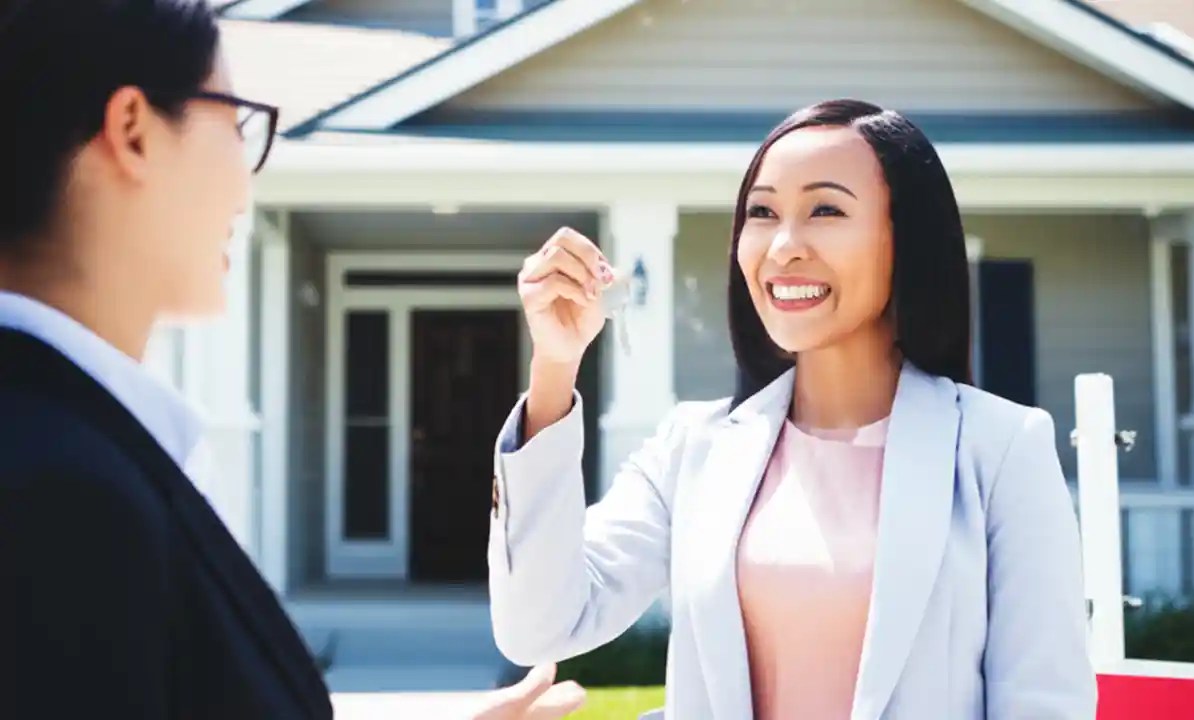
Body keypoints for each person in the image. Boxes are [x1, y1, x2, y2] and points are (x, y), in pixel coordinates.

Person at [0, 2, 583, 719]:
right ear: (134, 132)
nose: (248, 184)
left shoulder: (78, 447)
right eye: (236, 123)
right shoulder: (58, 496)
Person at [489, 99, 1098, 719]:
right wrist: (555, 367)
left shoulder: (1002, 448)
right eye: (762, 212)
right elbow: (541, 627)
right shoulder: (692, 447)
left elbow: (1044, 703)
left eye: (826, 209)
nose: (783, 247)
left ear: (906, 239)